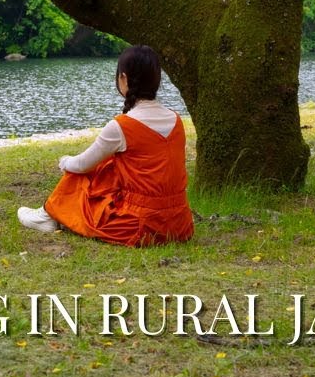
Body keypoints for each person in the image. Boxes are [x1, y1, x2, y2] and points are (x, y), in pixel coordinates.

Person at [16, 45, 194, 246]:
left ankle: (46, 214)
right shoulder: (176, 120)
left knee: (84, 169)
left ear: (124, 78)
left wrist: (65, 161)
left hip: (140, 226)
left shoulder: (122, 126)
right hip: (179, 225)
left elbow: (81, 165)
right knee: (111, 161)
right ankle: (48, 213)